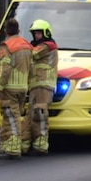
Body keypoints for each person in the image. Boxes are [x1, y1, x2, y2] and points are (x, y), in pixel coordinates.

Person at [0, 18, 32, 160]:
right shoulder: (26, 45)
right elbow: (31, 67)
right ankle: (4, 146)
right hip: (22, 87)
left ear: (5, 31)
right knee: (8, 117)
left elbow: (5, 68)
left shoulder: (6, 46)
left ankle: (14, 147)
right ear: (19, 30)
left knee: (11, 117)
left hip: (9, 87)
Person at [26, 19, 58, 156]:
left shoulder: (47, 45)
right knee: (32, 114)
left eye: (39, 33)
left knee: (40, 113)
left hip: (43, 83)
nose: (36, 36)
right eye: (35, 34)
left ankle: (41, 144)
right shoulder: (37, 45)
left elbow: (31, 54)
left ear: (46, 33)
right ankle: (33, 142)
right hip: (35, 84)